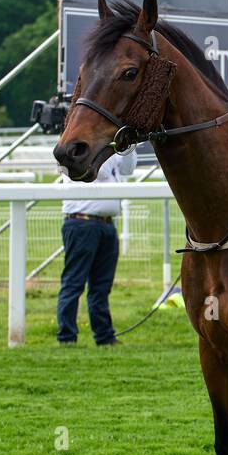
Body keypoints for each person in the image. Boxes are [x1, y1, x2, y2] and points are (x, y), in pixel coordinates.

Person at [56, 146, 137, 346]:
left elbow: (128, 169)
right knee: (74, 283)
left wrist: (129, 147)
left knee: (101, 286)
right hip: (82, 224)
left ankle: (104, 336)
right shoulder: (76, 148)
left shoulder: (109, 149)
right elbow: (97, 171)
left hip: (107, 224)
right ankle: (67, 336)